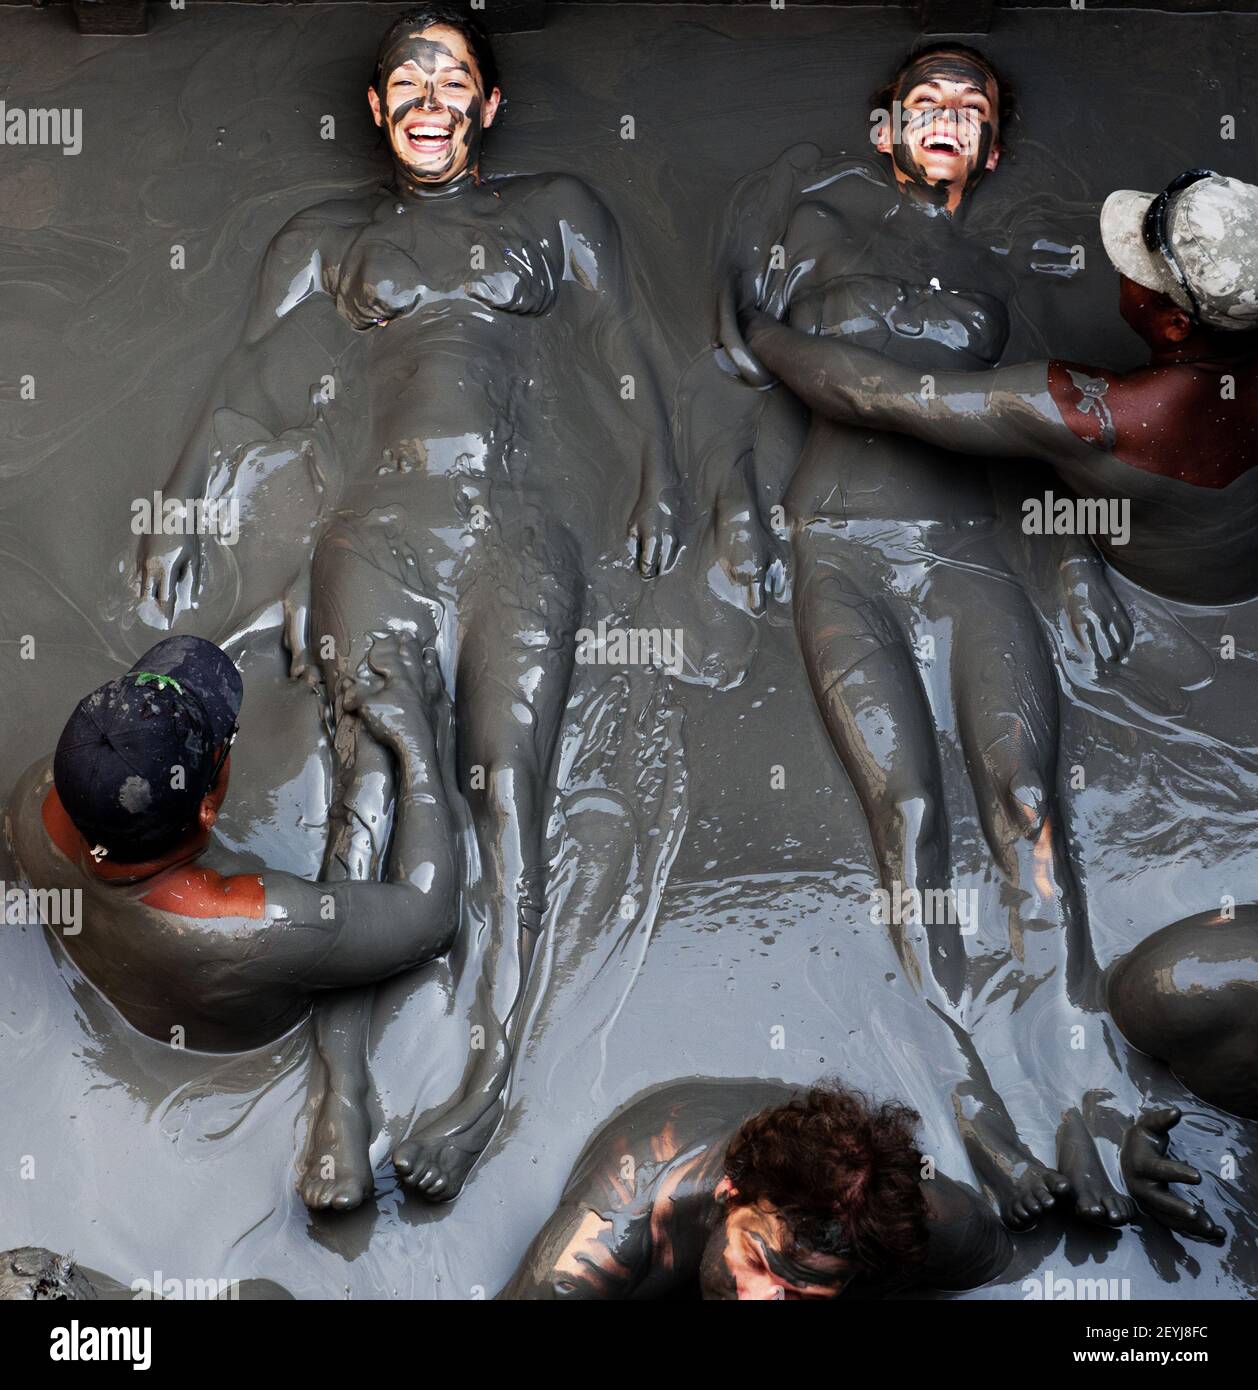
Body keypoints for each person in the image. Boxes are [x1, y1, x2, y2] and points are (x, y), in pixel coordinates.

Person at [134, 7, 681, 1209]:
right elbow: (246, 374)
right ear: (377, 111)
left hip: (518, 527)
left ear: (486, 105)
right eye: (405, 81)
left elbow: (621, 345)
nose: (428, 96)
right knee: (359, 796)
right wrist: (187, 502)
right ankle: (342, 1097)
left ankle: (485, 1080)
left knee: (505, 793)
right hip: (379, 527)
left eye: (453, 77)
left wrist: (661, 470)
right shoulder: (326, 236)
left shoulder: (556, 212)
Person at [715, 43, 1130, 1222]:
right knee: (906, 815)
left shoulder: (1006, 274)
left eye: (971, 108)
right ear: (885, 126)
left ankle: (1078, 1093)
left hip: (962, 557)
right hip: (840, 550)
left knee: (1031, 809)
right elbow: (742, 379)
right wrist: (732, 509)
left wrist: (1075, 555)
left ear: (990, 147)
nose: (945, 117)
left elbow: (1047, 425)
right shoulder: (814, 229)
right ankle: (973, 1095)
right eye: (924, 102)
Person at [739, 170, 1258, 606]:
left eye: (1135, 269)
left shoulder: (1094, 410)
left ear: (1175, 325)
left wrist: (758, 330)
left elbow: (870, 396)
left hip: (1165, 595)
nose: (1120, 271)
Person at [10, 634, 457, 1061]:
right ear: (206, 808)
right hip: (244, 1032)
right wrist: (416, 740)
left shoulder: (37, 795)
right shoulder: (262, 926)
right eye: (228, 739)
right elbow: (430, 916)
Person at [499, 1078, 1012, 1299]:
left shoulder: (937, 1227)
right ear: (730, 1192)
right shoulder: (601, 1246)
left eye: (799, 1291)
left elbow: (993, 1258)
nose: (760, 1297)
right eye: (759, 1262)